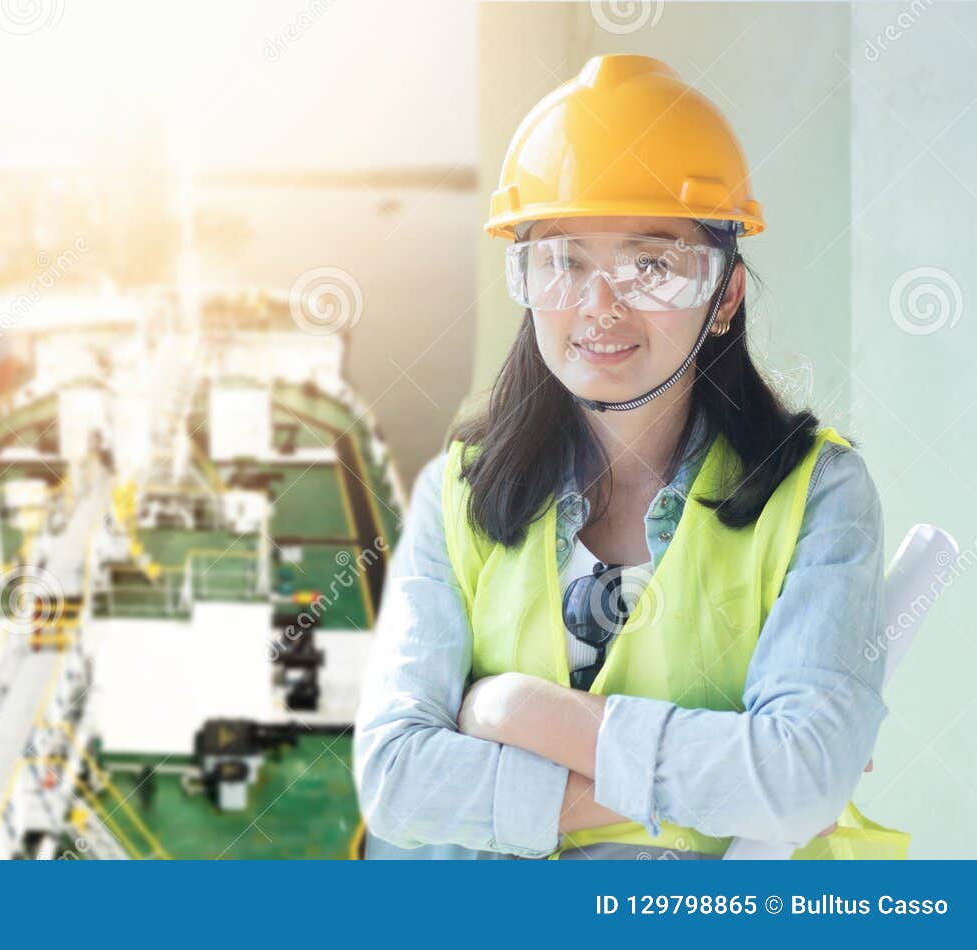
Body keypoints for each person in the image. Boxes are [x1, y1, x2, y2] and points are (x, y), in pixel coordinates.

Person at [354, 55, 906, 860]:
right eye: (563, 262)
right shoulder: (457, 495)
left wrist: (517, 715)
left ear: (724, 296)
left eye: (652, 265)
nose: (599, 306)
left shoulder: (818, 496)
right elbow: (396, 782)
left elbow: (802, 781)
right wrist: (708, 793)